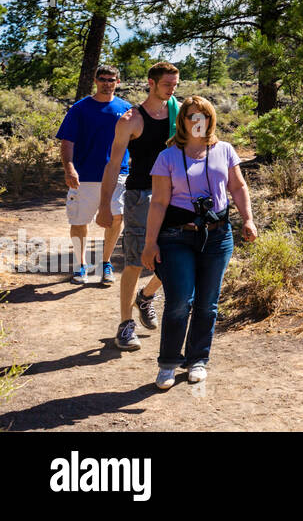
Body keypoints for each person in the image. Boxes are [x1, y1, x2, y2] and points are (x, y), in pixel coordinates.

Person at [142, 95, 257, 390]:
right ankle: (168, 363)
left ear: (210, 120)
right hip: (176, 236)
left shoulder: (225, 150)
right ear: (182, 121)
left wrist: (248, 219)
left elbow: (238, 186)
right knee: (180, 301)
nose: (197, 122)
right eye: (191, 116)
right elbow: (158, 203)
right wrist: (150, 243)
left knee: (208, 304)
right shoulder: (167, 156)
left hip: (217, 236)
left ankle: (197, 361)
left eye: (202, 116)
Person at [97, 61, 181, 351]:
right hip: (140, 196)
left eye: (175, 84)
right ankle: (125, 325)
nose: (173, 89)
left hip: (175, 194)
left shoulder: (179, 113)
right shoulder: (130, 119)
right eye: (168, 84)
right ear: (151, 83)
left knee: (176, 257)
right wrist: (105, 205)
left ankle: (145, 297)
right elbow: (112, 164)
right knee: (134, 259)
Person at [55, 64, 131, 285]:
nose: (107, 83)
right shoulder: (80, 109)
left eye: (112, 79)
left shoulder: (126, 109)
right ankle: (81, 266)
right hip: (85, 175)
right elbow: (67, 141)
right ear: (96, 81)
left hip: (117, 175)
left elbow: (135, 142)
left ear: (118, 82)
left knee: (117, 218)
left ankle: (105, 263)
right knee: (79, 221)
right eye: (103, 79)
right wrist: (69, 168)